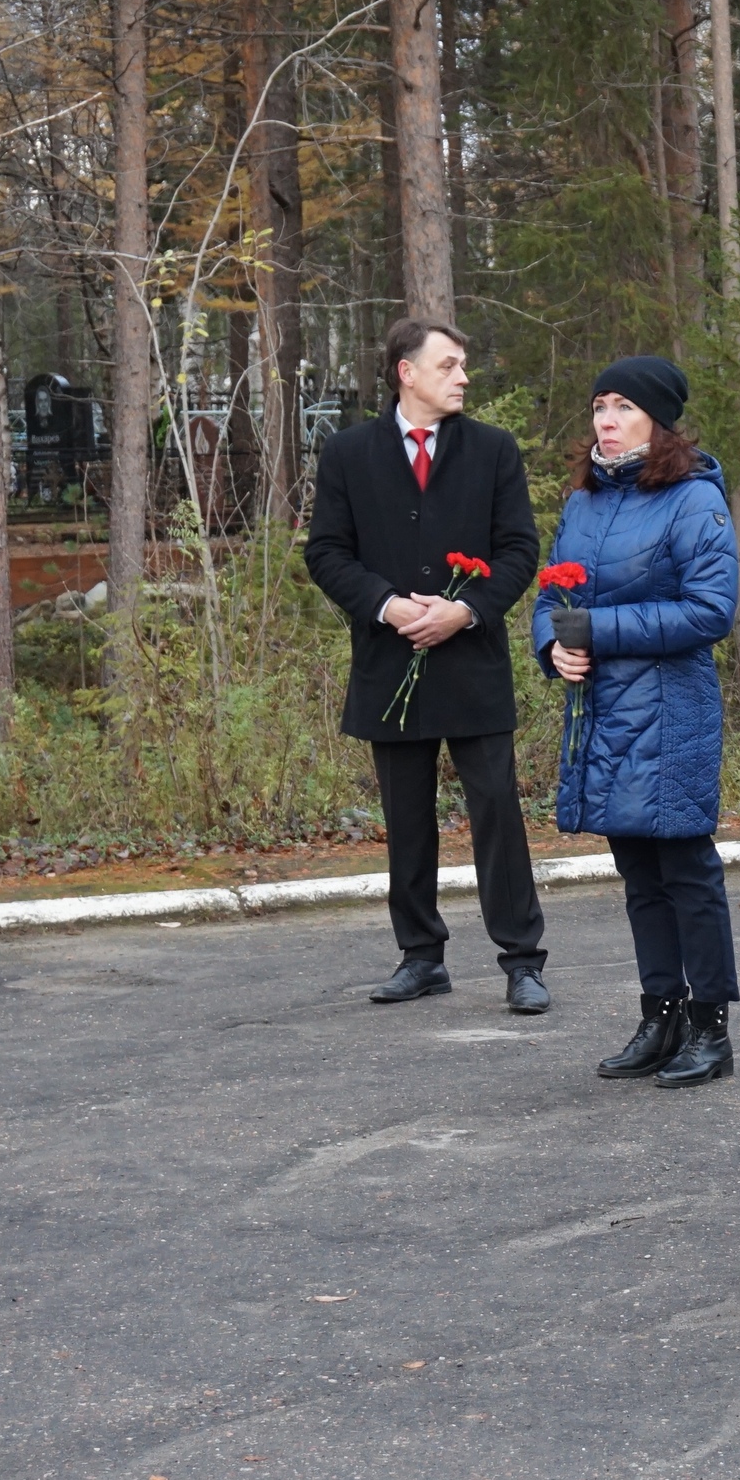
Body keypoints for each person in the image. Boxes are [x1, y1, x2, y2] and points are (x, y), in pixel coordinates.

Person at [305, 318, 549, 1013]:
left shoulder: (494, 450)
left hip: (471, 660)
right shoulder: (349, 452)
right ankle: (421, 955)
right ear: (405, 372)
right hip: (391, 660)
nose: (463, 377)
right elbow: (326, 552)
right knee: (405, 816)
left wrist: (464, 610)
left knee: (498, 810)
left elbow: (519, 551)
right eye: (448, 365)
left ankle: (523, 960)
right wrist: (386, 605)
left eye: (464, 364)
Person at [530, 357, 740, 1086]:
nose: (606, 420)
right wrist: (553, 646)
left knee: (685, 867)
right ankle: (661, 1013)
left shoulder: (694, 499)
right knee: (638, 873)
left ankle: (711, 1027)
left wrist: (597, 630)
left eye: (622, 406)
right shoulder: (584, 502)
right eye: (598, 406)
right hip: (606, 716)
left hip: (673, 713)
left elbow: (711, 610)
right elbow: (549, 597)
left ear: (657, 419)